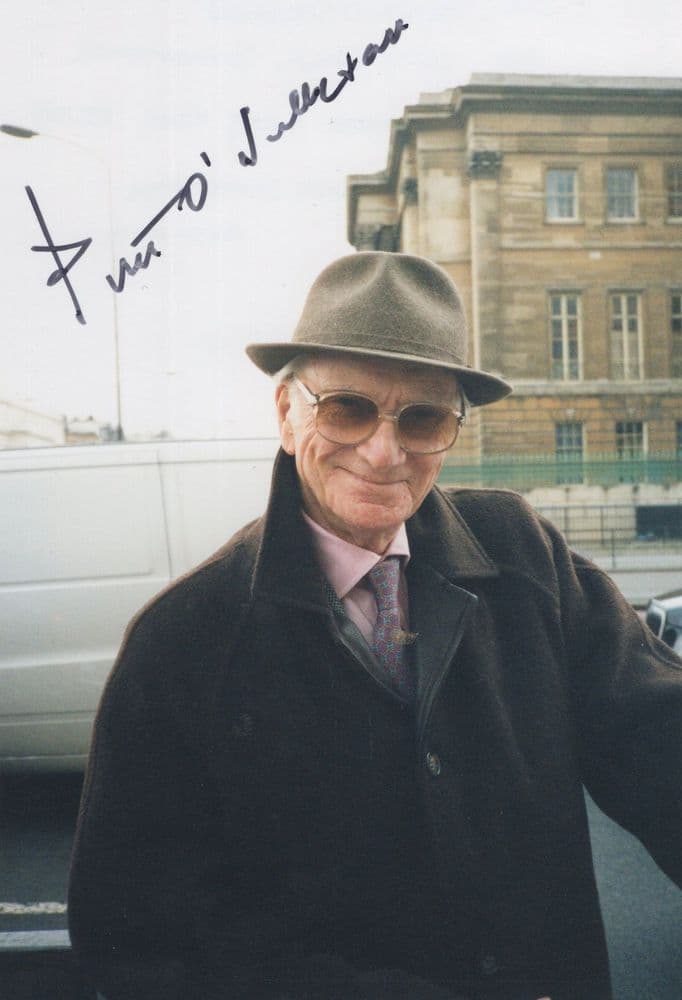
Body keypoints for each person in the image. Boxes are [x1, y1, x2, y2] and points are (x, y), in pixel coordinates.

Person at [68, 252, 682, 1000]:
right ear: (287, 416)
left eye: (422, 417)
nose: (385, 452)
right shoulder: (183, 641)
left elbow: (658, 740)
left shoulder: (525, 555)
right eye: (348, 407)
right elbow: (141, 939)